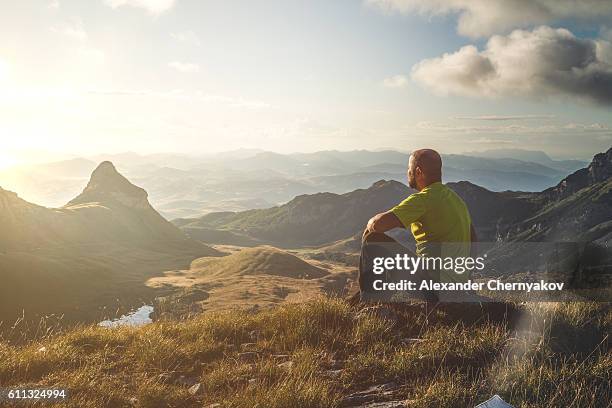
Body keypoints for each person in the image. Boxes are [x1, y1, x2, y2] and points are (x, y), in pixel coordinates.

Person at [355, 148, 477, 303]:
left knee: (372, 238)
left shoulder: (424, 199)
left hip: (433, 288)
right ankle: (376, 299)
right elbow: (473, 238)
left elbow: (378, 225)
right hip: (454, 287)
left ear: (418, 172)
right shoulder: (456, 200)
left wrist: (371, 222)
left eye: (409, 169)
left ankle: (370, 304)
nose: (408, 173)